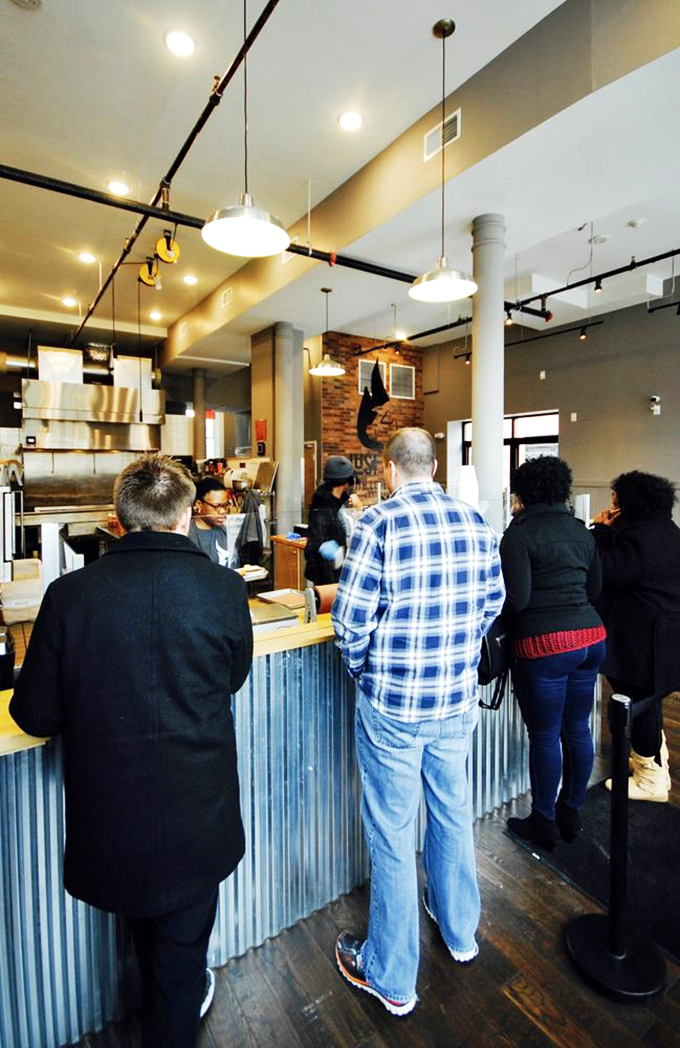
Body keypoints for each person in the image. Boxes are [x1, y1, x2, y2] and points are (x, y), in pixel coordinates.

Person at [9, 454, 253, 1048]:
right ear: (184, 517)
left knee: (150, 945)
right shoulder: (222, 589)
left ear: (118, 520)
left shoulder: (69, 596)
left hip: (111, 823)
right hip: (199, 817)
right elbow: (234, 677)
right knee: (178, 959)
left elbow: (34, 713)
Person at [331, 428, 504, 1016]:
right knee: (453, 813)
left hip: (395, 706)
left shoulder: (378, 522)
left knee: (392, 831)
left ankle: (393, 976)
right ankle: (460, 934)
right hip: (454, 702)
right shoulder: (474, 521)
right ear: (433, 465)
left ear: (388, 469)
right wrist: (456, 653)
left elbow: (349, 624)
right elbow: (492, 602)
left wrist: (368, 673)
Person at [501, 456, 606, 850]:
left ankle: (543, 821)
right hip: (591, 639)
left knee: (545, 734)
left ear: (523, 493)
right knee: (577, 727)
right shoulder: (582, 532)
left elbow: (518, 599)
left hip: (545, 646)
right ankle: (571, 811)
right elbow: (595, 590)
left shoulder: (519, 534)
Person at [592, 470, 680, 802]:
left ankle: (651, 780)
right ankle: (652, 762)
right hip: (663, 639)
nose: (612, 505)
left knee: (636, 706)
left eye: (615, 500)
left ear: (629, 503)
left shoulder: (637, 540)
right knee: (648, 704)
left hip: (642, 644)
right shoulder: (667, 531)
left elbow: (602, 572)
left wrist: (599, 529)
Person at [305, 455, 361, 584]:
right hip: (327, 575)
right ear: (345, 482)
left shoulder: (340, 501)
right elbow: (318, 541)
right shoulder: (322, 505)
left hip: (338, 570)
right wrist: (338, 554)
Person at [189, 477, 232, 566]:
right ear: (199, 505)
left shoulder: (223, 530)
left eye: (225, 505)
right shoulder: (189, 533)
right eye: (217, 506)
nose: (222, 511)